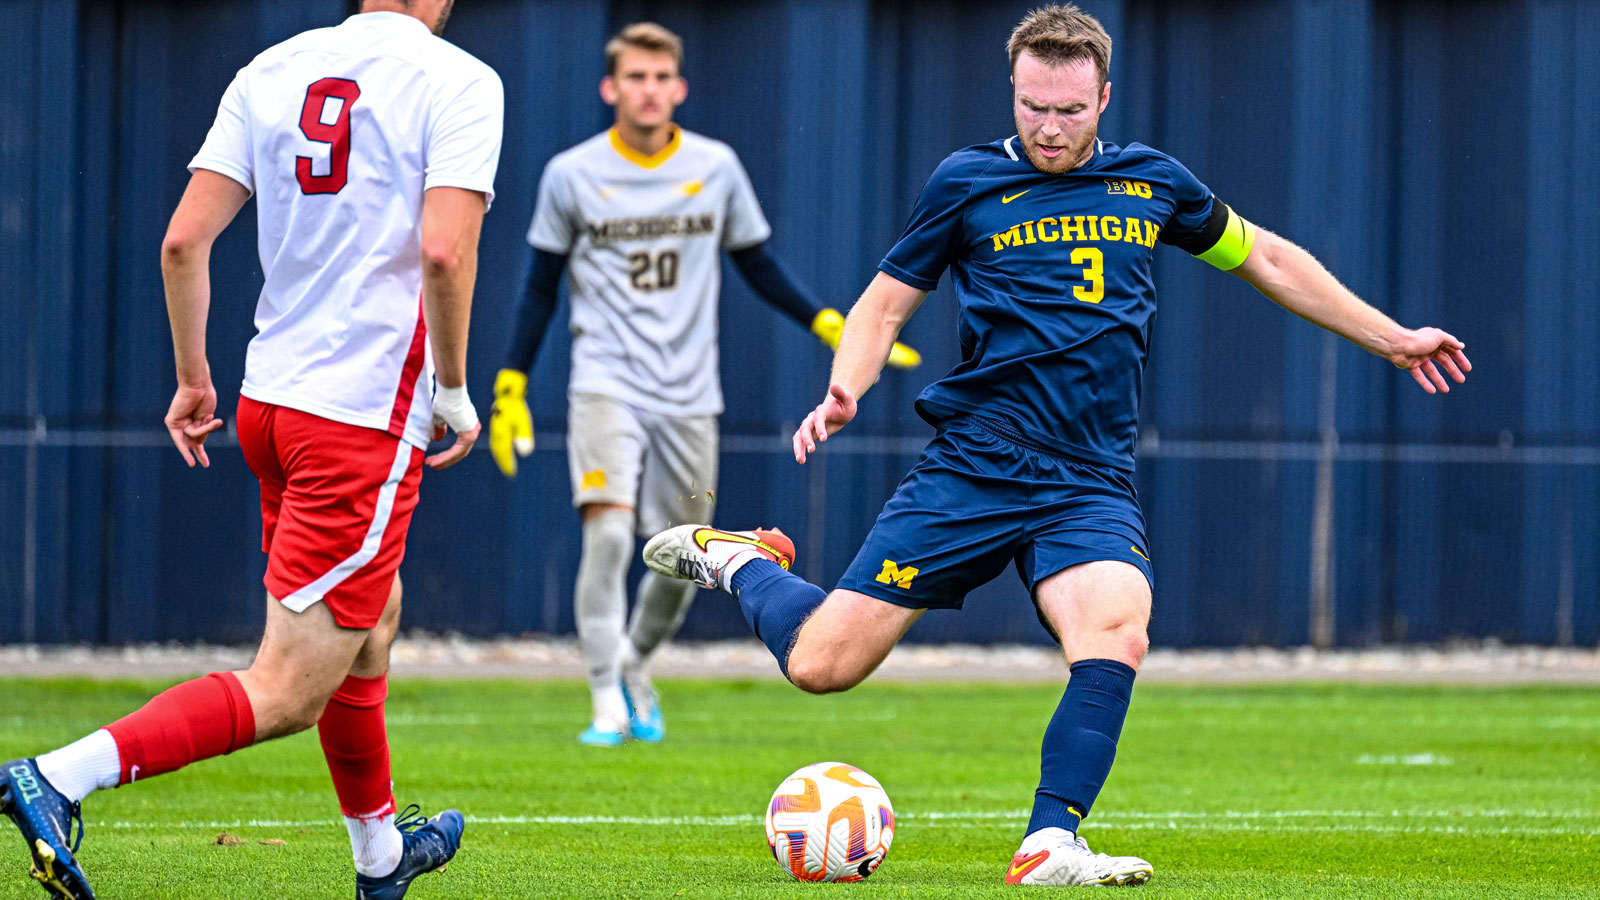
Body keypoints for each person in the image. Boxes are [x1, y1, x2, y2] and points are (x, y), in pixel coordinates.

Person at [644, 3, 1471, 887]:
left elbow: (1266, 258)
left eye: (1069, 110)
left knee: (1117, 627)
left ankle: (1050, 841)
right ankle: (740, 563)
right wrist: (849, 383)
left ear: (1104, 97)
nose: (1047, 125)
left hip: (1089, 479)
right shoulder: (964, 182)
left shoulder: (1153, 183)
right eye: (1033, 105)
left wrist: (1390, 337)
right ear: (1015, 89)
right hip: (977, 463)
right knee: (820, 668)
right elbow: (885, 303)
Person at [0, 2, 501, 897]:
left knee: (372, 619)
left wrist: (194, 381)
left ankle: (381, 857)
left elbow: (183, 241)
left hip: (271, 406)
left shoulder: (272, 67)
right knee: (287, 687)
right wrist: (455, 393)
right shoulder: (460, 78)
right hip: (358, 421)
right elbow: (443, 252)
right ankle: (60, 775)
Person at [489, 22, 919, 747]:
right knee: (604, 536)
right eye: (635, 77)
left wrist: (828, 324)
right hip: (605, 384)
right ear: (611, 87)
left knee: (688, 546)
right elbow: (539, 287)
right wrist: (509, 385)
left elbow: (757, 263)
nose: (649, 90)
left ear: (679, 88)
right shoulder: (571, 173)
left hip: (690, 393)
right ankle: (602, 699)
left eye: (661, 78)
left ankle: (634, 663)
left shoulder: (715, 167)